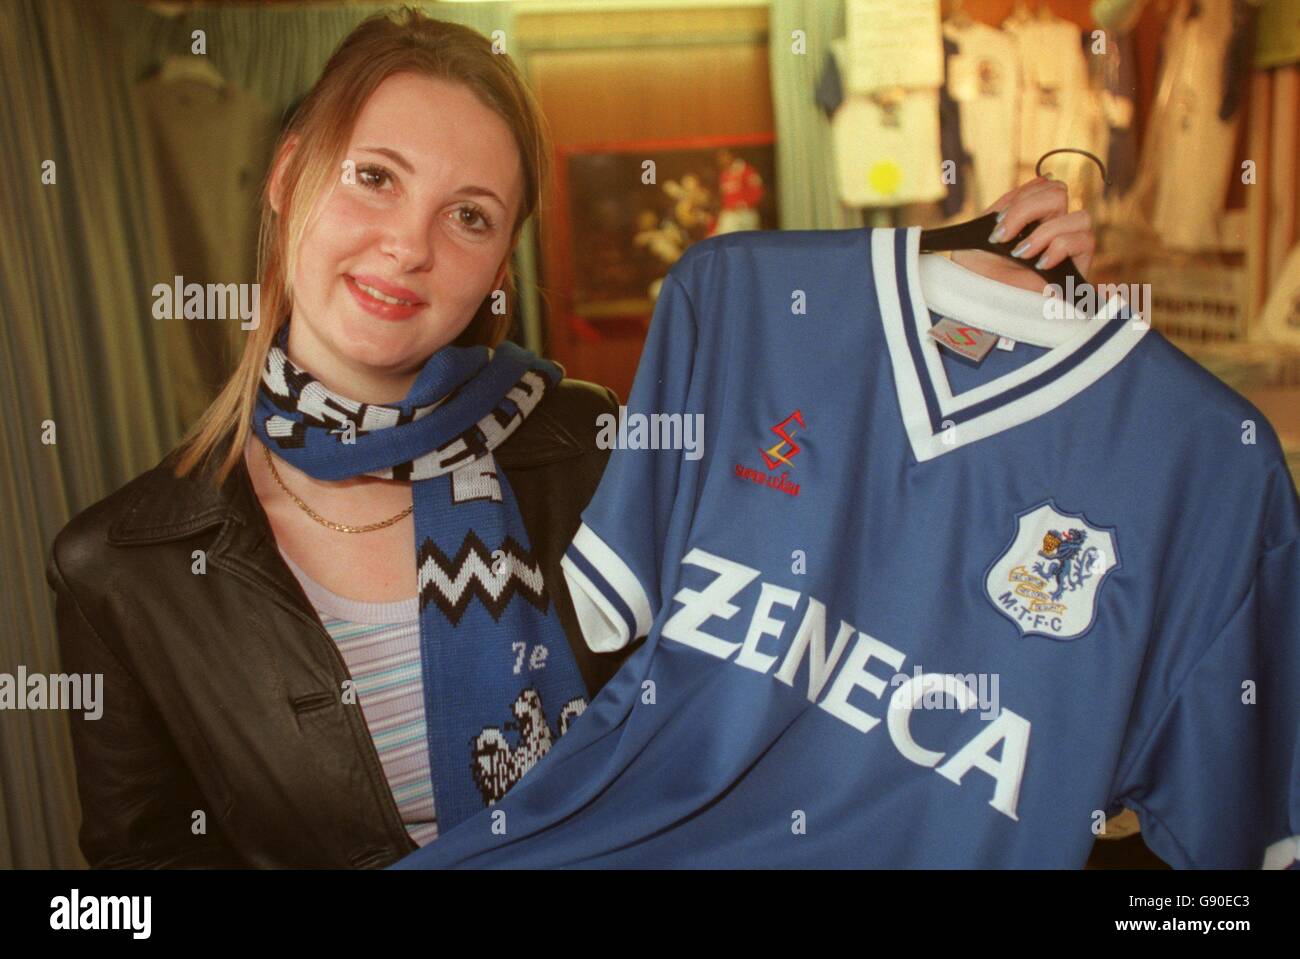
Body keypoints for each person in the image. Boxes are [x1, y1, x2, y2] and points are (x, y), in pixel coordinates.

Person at [45, 7, 1099, 868]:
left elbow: (840, 543)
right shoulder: (123, 565)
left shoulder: (595, 444)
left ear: (500, 261)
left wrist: (983, 316)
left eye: (468, 215)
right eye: (375, 176)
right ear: (288, 178)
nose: (406, 245)